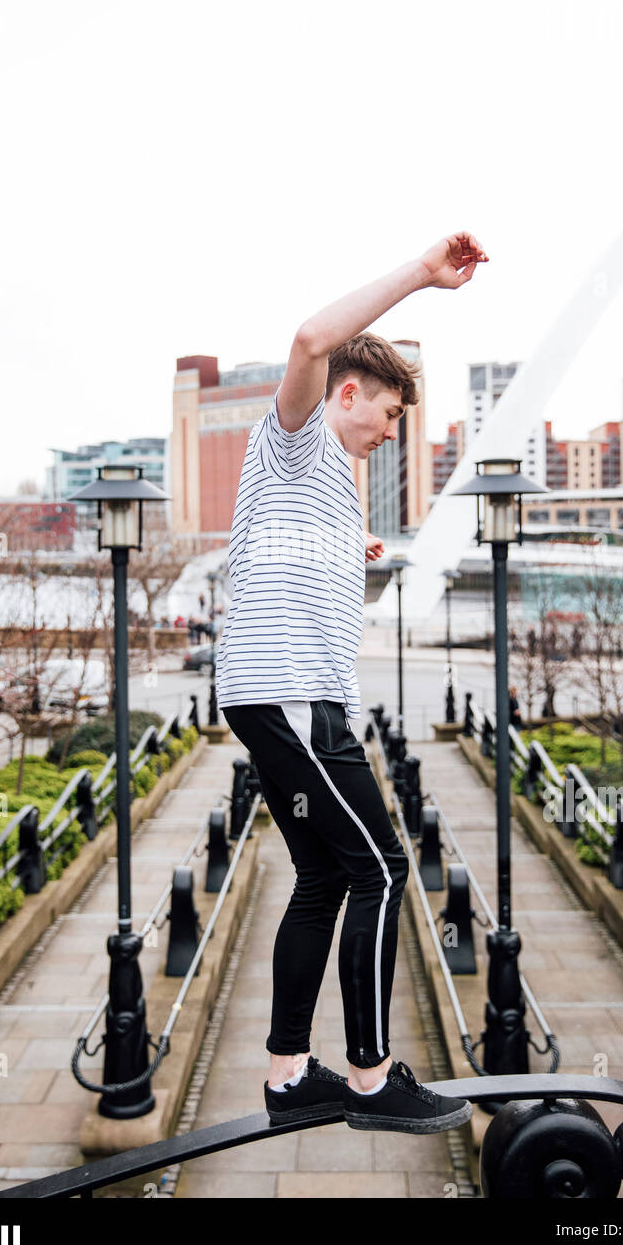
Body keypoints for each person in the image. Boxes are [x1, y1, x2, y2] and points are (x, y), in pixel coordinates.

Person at [216, 232, 488, 1133]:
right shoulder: (296, 437)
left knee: (325, 878)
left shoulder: (327, 479)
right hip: (291, 699)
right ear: (347, 396)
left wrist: (352, 548)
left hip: (286, 698)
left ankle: (290, 1077)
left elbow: (280, 548)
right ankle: (372, 1082)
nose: (387, 434)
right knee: (384, 865)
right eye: (386, 417)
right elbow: (305, 340)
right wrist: (420, 274)